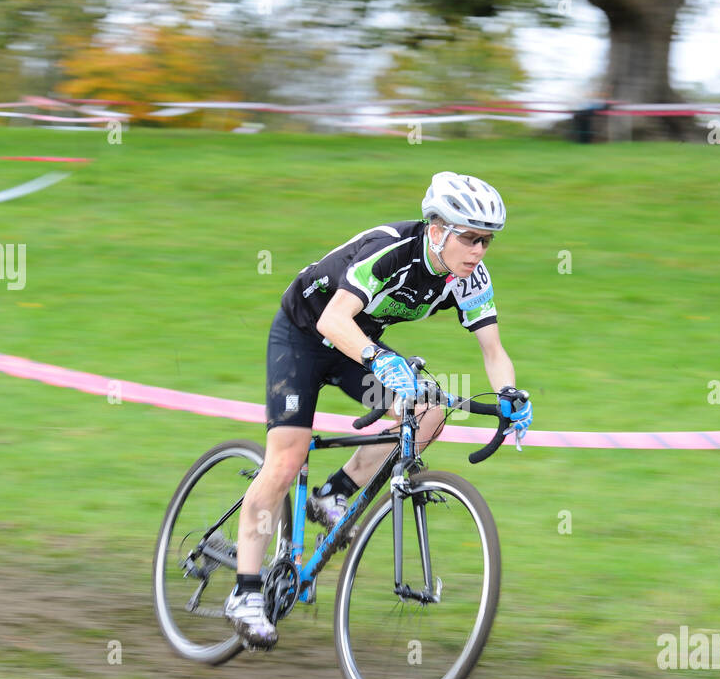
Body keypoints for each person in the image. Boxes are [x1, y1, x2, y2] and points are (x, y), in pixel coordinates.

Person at [224, 171, 533, 649]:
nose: (478, 251)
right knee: (286, 458)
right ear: (438, 231)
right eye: (470, 239)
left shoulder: (471, 279)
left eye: (486, 242)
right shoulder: (390, 250)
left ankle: (333, 492)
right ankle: (244, 594)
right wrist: (379, 358)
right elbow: (332, 318)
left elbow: (493, 349)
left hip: (356, 346)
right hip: (306, 336)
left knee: (430, 410)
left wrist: (511, 393)